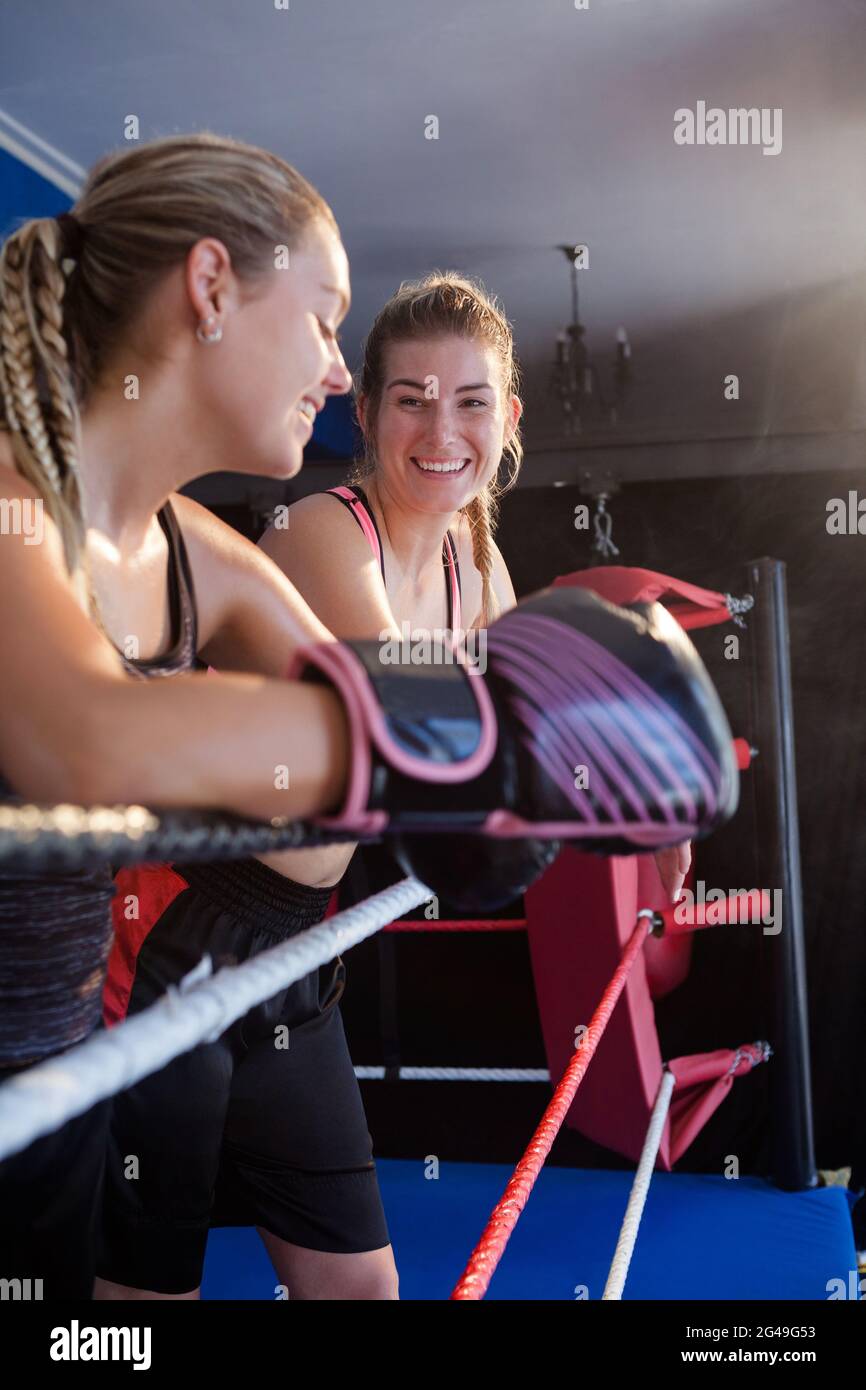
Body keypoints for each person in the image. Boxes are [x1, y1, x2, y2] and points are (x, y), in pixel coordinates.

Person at [97, 272, 693, 1302]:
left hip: (297, 949)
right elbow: (428, 740)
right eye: (409, 397)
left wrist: (645, 809)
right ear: (364, 413)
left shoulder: (479, 560)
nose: (439, 429)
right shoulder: (323, 535)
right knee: (147, 1307)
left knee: (362, 1292)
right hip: (177, 935)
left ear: (504, 419)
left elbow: (522, 750)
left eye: (468, 401)